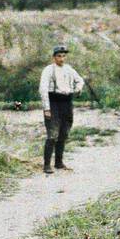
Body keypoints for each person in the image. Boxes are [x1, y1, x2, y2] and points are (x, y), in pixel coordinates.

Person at [39, 45, 84, 174]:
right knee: (52, 134)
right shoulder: (48, 70)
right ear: (54, 57)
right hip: (53, 102)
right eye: (59, 56)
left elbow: (80, 80)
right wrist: (46, 108)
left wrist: (78, 89)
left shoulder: (69, 69)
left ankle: (58, 162)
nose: (62, 58)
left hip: (66, 102)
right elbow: (43, 89)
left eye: (64, 56)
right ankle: (47, 165)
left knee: (64, 133)